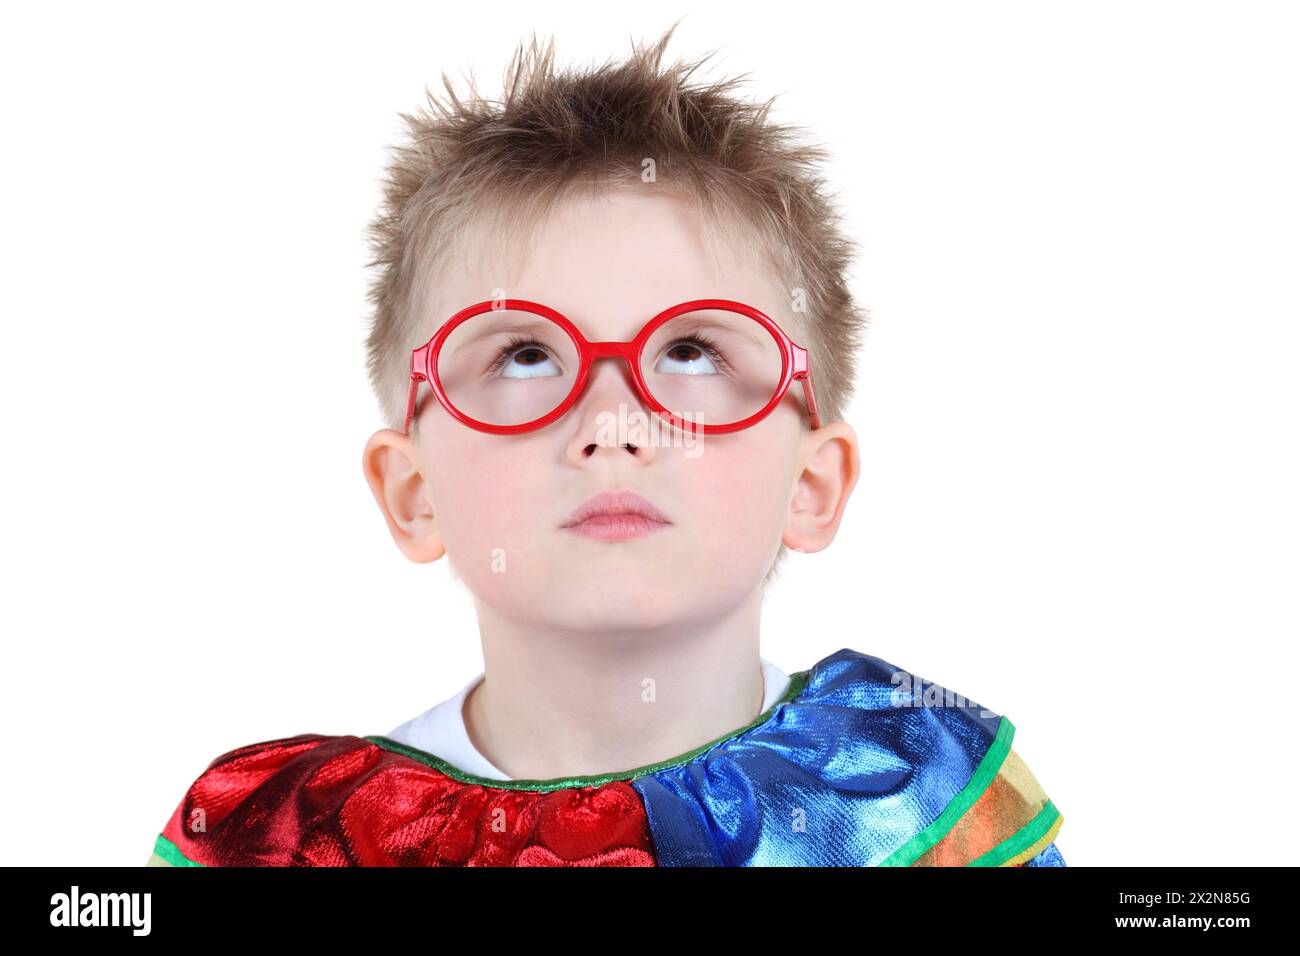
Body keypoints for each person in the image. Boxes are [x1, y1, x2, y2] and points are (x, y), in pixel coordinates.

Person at [147, 23, 1064, 868]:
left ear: (812, 487)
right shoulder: (290, 839)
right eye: (524, 354)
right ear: (412, 492)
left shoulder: (915, 794)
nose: (612, 424)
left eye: (693, 350)